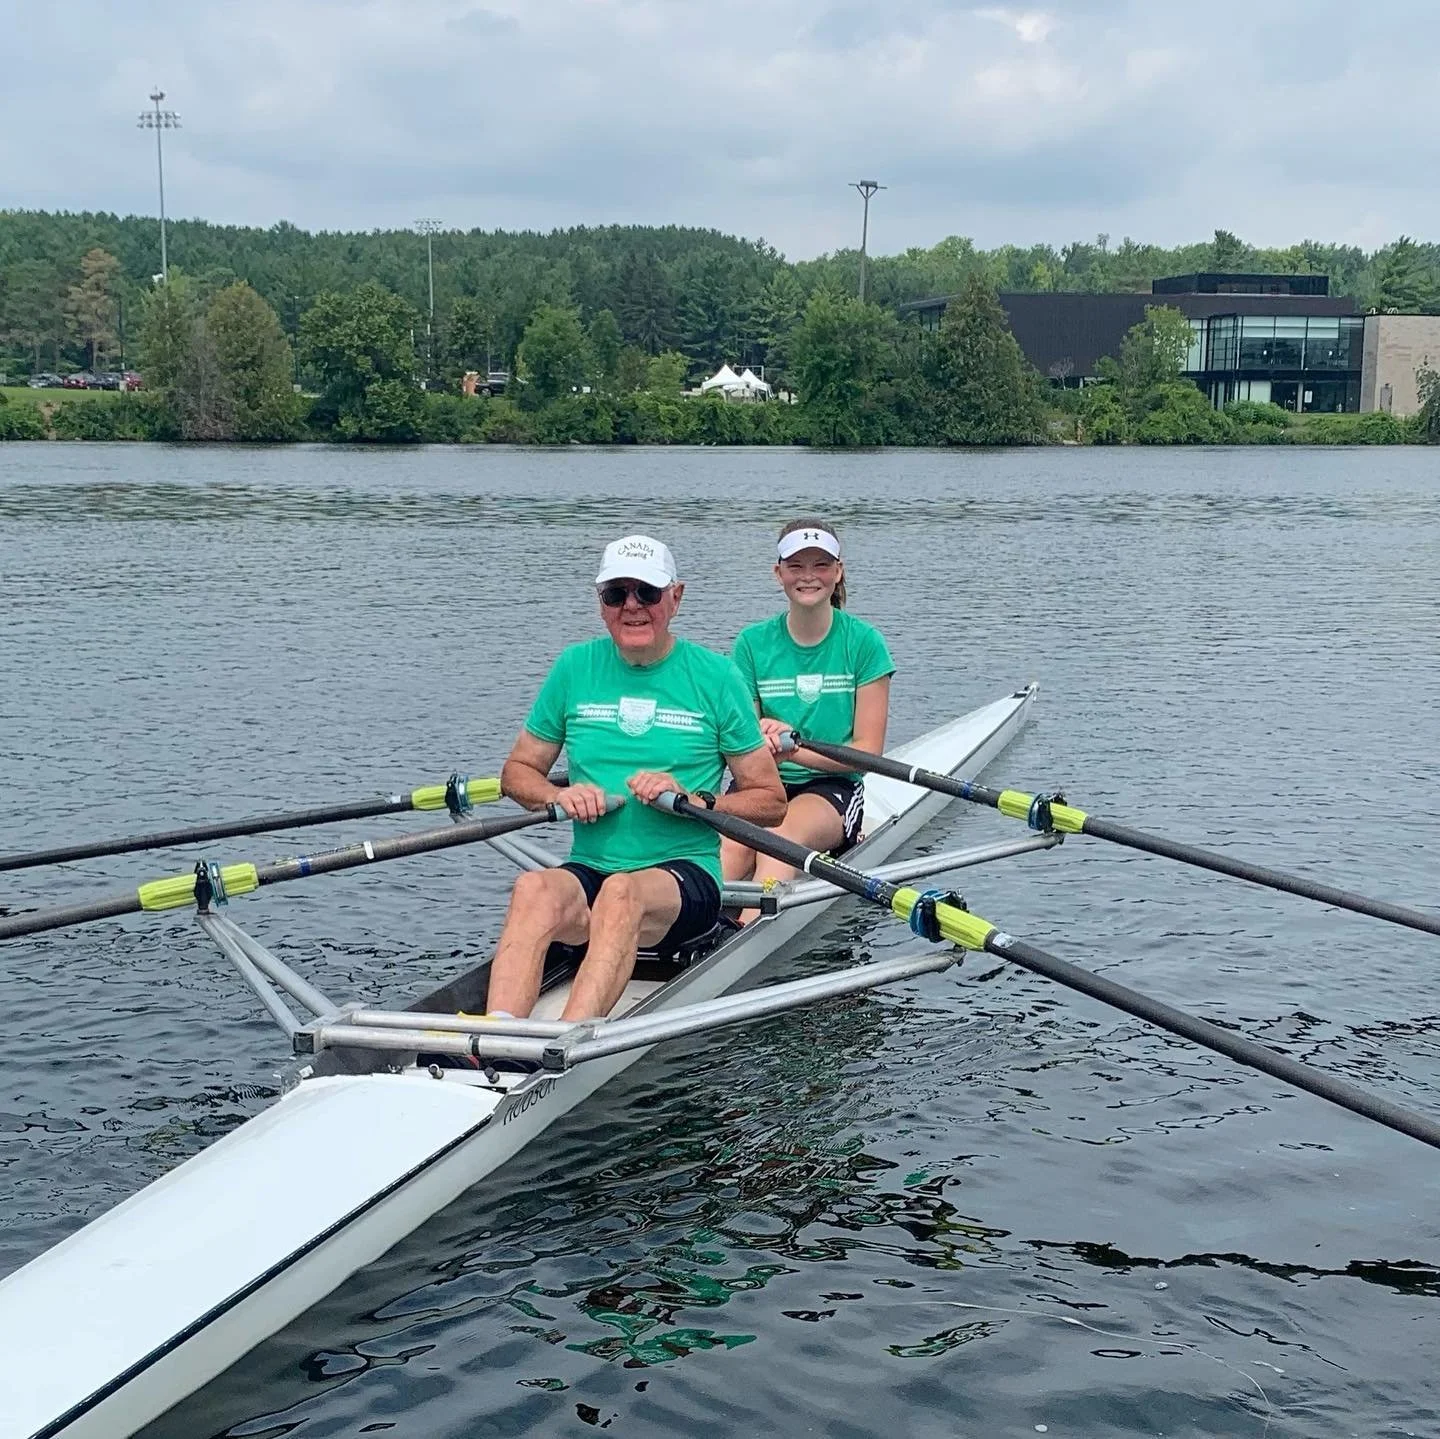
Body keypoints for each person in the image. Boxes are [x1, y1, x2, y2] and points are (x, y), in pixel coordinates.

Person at [486, 534, 786, 1022]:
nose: (632, 606)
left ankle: (563, 1049)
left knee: (621, 893)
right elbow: (517, 772)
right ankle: (498, 1039)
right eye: (615, 594)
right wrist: (557, 794)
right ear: (601, 602)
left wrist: (696, 799)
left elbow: (770, 801)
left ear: (676, 596)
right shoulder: (574, 667)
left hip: (684, 878)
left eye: (646, 592)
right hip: (591, 867)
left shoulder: (716, 677)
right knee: (533, 889)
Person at [722, 518, 894, 903]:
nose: (808, 576)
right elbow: (741, 739)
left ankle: (743, 938)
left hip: (832, 787)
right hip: (761, 782)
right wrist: (757, 739)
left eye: (820, 565)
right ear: (778, 572)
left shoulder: (864, 644)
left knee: (778, 841)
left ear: (838, 571)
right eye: (796, 566)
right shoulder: (751, 644)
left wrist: (794, 750)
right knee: (728, 849)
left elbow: (868, 753)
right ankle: (687, 937)